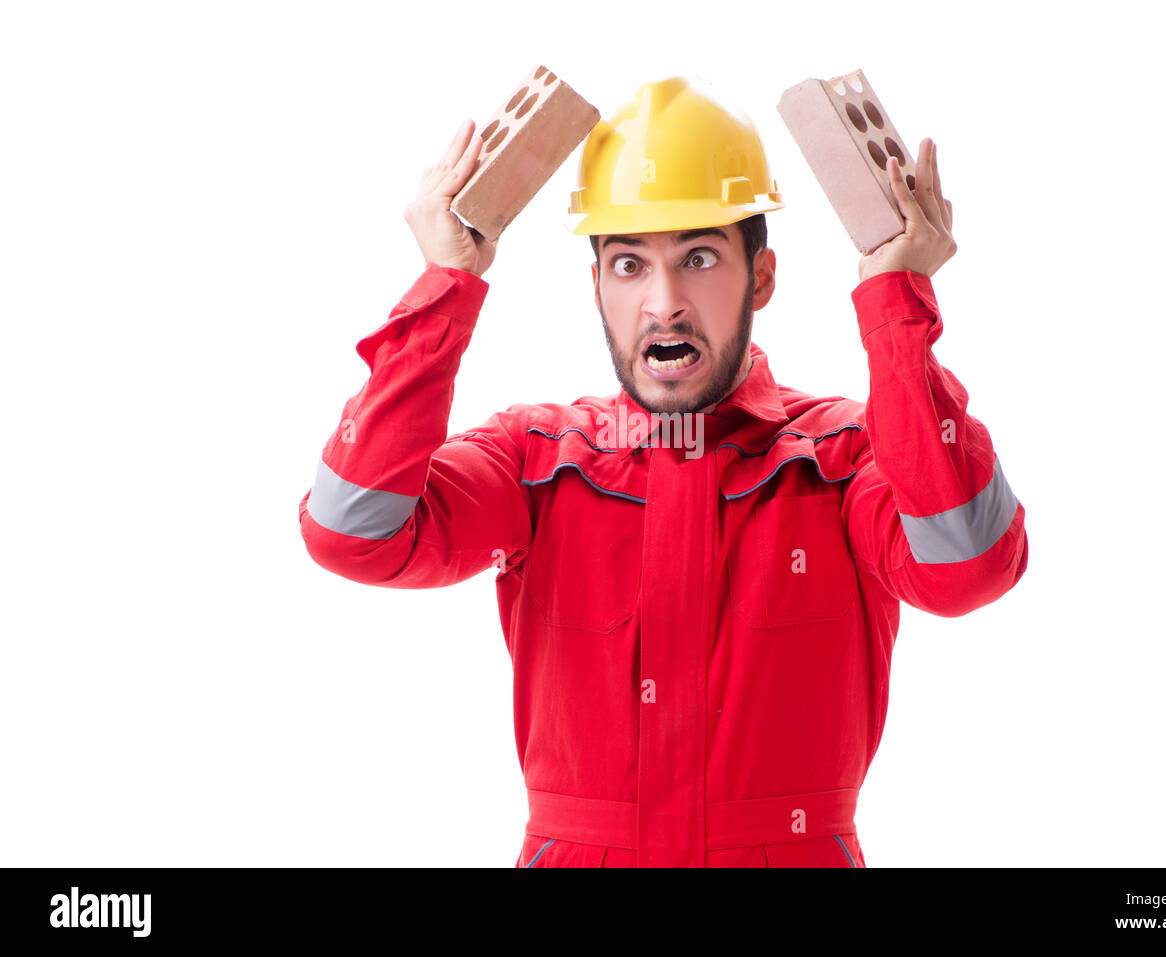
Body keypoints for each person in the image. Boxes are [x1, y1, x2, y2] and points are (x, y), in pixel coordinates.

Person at [298, 76, 1029, 868]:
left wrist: (895, 301)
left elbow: (966, 563)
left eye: (700, 257)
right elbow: (352, 530)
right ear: (597, 287)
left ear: (762, 278)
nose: (664, 302)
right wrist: (446, 289)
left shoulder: (844, 459)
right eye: (629, 265)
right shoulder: (535, 461)